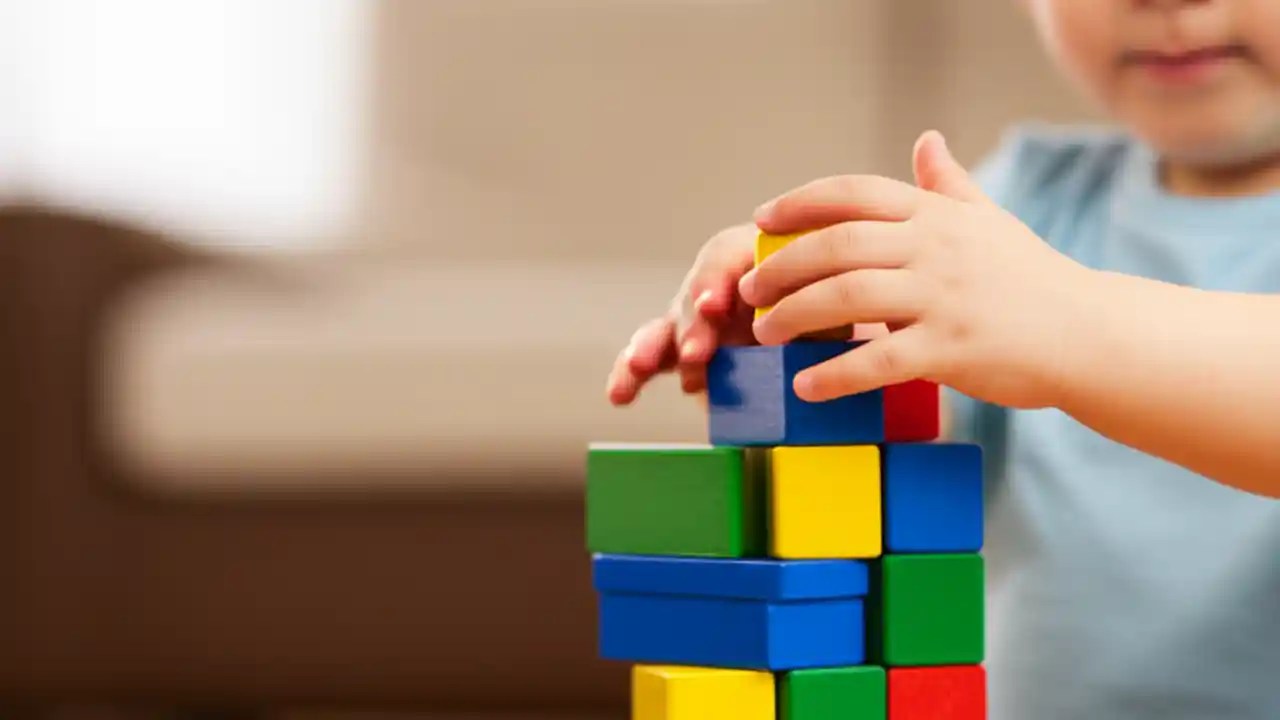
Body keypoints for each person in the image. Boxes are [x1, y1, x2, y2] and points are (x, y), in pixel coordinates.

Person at [604, 0, 1280, 717]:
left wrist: (1066, 323)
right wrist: (802, 335)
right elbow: (901, 460)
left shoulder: (1029, 263)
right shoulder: (1028, 197)